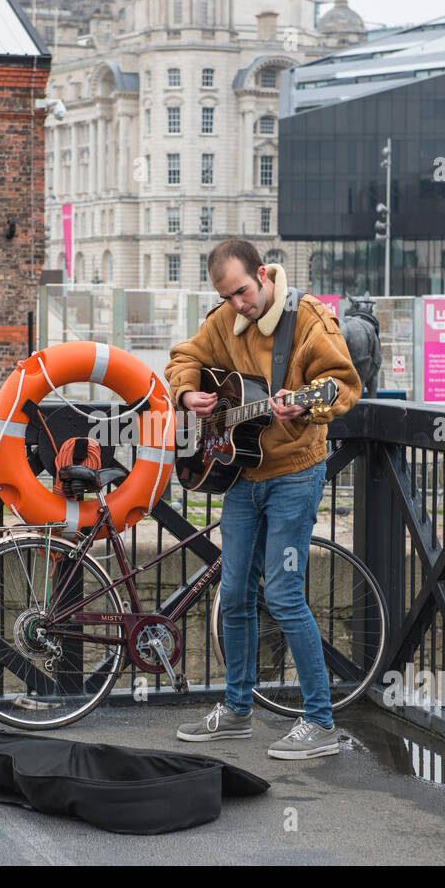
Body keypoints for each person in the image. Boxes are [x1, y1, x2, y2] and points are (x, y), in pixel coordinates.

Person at [164, 240, 361, 759]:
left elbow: (341, 383)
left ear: (262, 275)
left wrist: (306, 408)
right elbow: (184, 356)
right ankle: (236, 711)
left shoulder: (310, 319)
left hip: (295, 475)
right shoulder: (225, 320)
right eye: (226, 297)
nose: (237, 305)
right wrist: (188, 395)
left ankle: (320, 723)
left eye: (243, 292)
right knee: (233, 597)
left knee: (284, 594)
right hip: (242, 477)